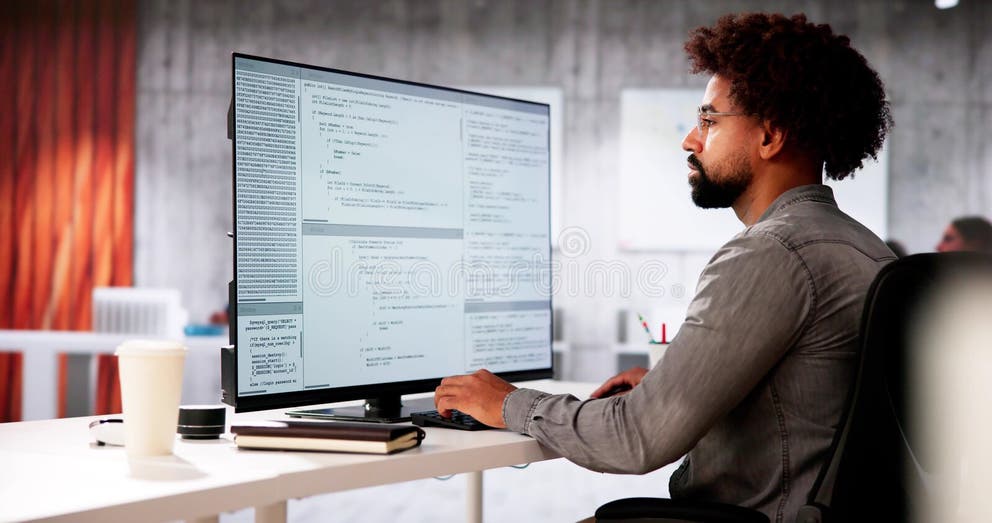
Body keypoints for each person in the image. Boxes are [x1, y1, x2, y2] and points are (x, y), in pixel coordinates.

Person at [434, 13, 895, 521]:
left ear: (770, 136)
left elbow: (636, 441)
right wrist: (670, 385)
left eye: (709, 121)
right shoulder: (869, 250)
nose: (690, 141)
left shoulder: (770, 255)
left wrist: (506, 402)